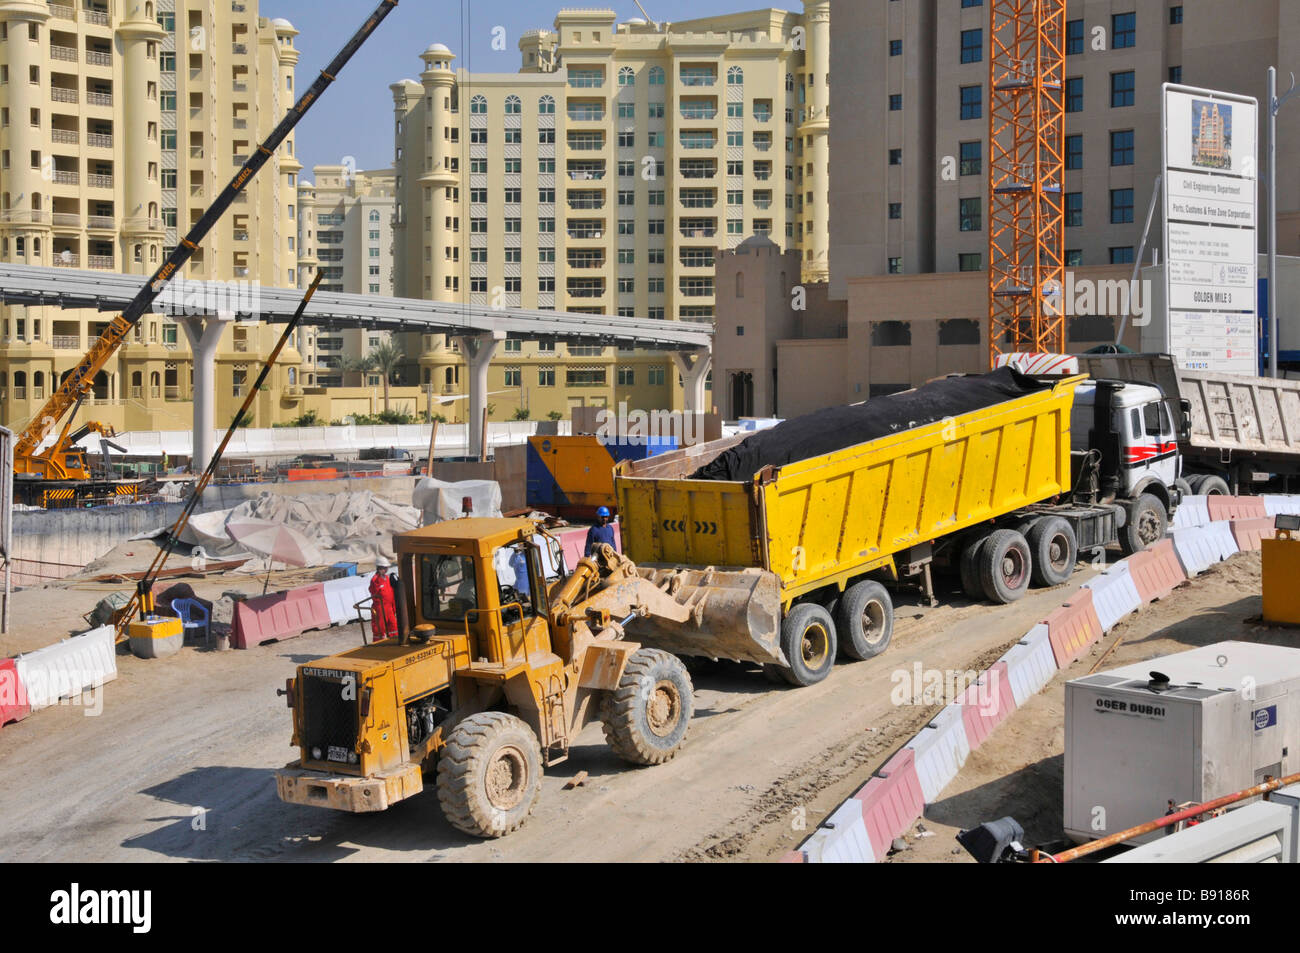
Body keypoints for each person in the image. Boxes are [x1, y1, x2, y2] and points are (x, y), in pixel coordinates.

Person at [368, 556, 398, 642]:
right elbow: (374, 592)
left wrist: (393, 607)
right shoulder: (375, 580)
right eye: (384, 568)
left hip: (389, 608)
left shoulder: (387, 578)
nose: (386, 569)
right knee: (380, 628)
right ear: (379, 568)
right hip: (380, 608)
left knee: (393, 625)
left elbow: (390, 593)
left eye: (386, 568)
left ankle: (394, 641)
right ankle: (378, 644)